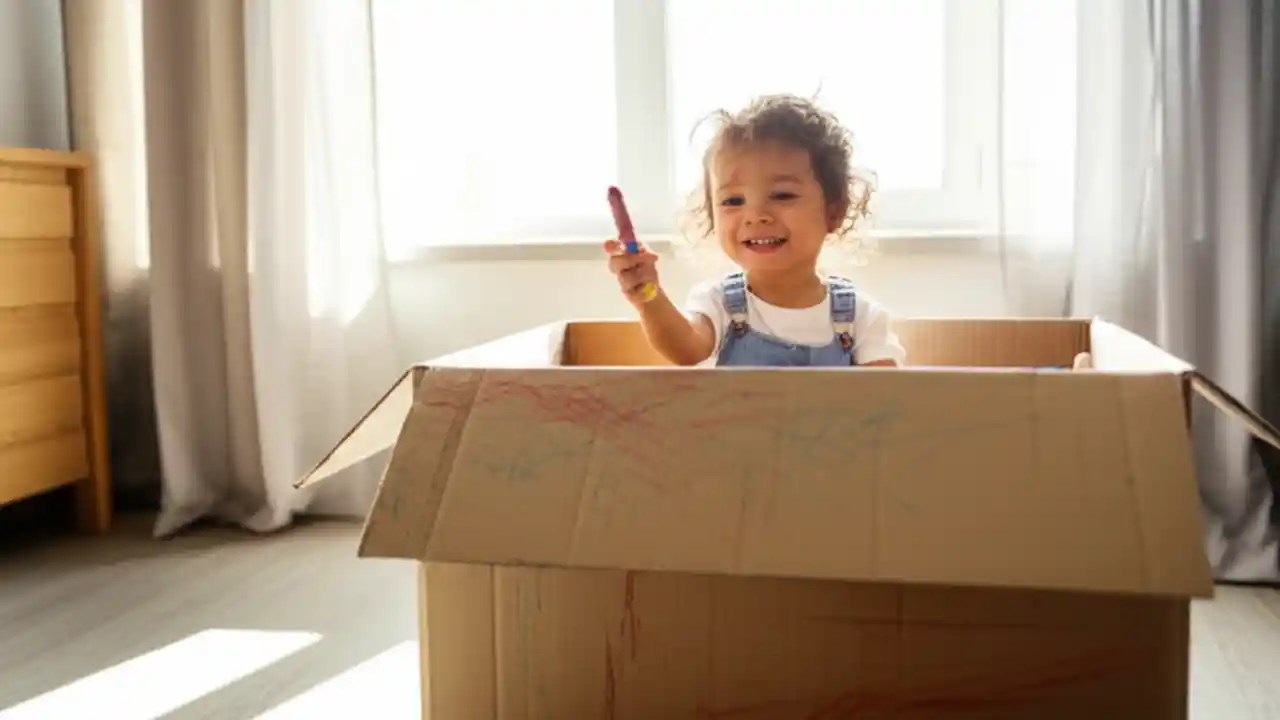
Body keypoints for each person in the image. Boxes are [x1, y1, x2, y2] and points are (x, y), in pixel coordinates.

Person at [603, 94, 905, 367]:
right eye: (733, 200)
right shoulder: (719, 304)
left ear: (833, 212)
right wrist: (649, 297)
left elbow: (885, 404)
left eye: (782, 195)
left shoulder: (860, 318)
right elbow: (686, 350)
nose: (756, 216)